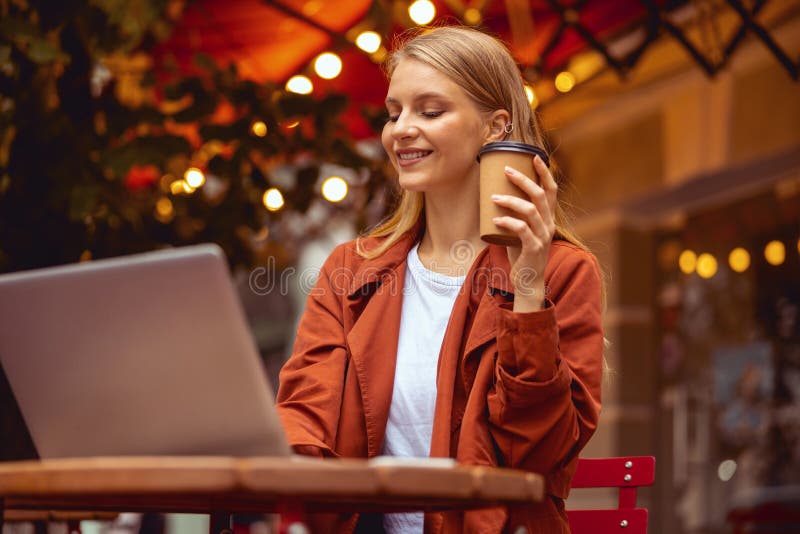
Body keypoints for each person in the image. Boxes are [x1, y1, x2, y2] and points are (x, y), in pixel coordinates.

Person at [276, 25, 603, 534]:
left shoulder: (564, 272)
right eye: (393, 113)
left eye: (430, 111)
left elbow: (541, 456)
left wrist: (529, 287)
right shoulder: (349, 271)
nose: (401, 129)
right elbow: (304, 420)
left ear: (496, 127)